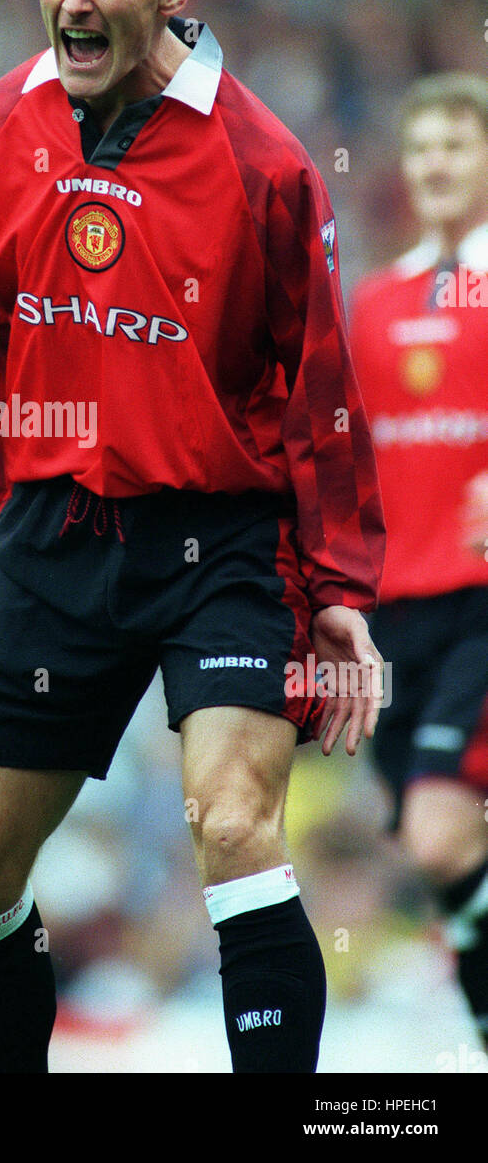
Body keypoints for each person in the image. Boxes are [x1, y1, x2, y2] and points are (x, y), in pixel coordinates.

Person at [0, 0, 385, 1074]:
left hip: (221, 544)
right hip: (52, 534)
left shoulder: (263, 162)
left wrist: (336, 590)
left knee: (232, 824)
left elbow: (319, 388)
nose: (72, 4)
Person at [350, 73, 488, 1051]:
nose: (436, 163)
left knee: (442, 834)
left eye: (456, 144)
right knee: (439, 854)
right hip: (385, 616)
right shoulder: (371, 302)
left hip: (478, 603)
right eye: (422, 147)